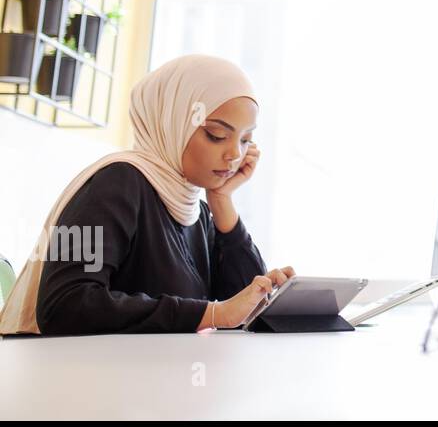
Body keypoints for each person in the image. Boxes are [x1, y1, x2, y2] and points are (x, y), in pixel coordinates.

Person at [0, 54, 294, 335]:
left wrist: (222, 201)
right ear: (173, 122)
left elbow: (243, 313)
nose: (234, 154)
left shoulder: (196, 212)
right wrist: (210, 314)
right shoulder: (115, 183)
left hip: (148, 379)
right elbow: (66, 304)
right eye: (216, 135)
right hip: (81, 380)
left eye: (245, 140)